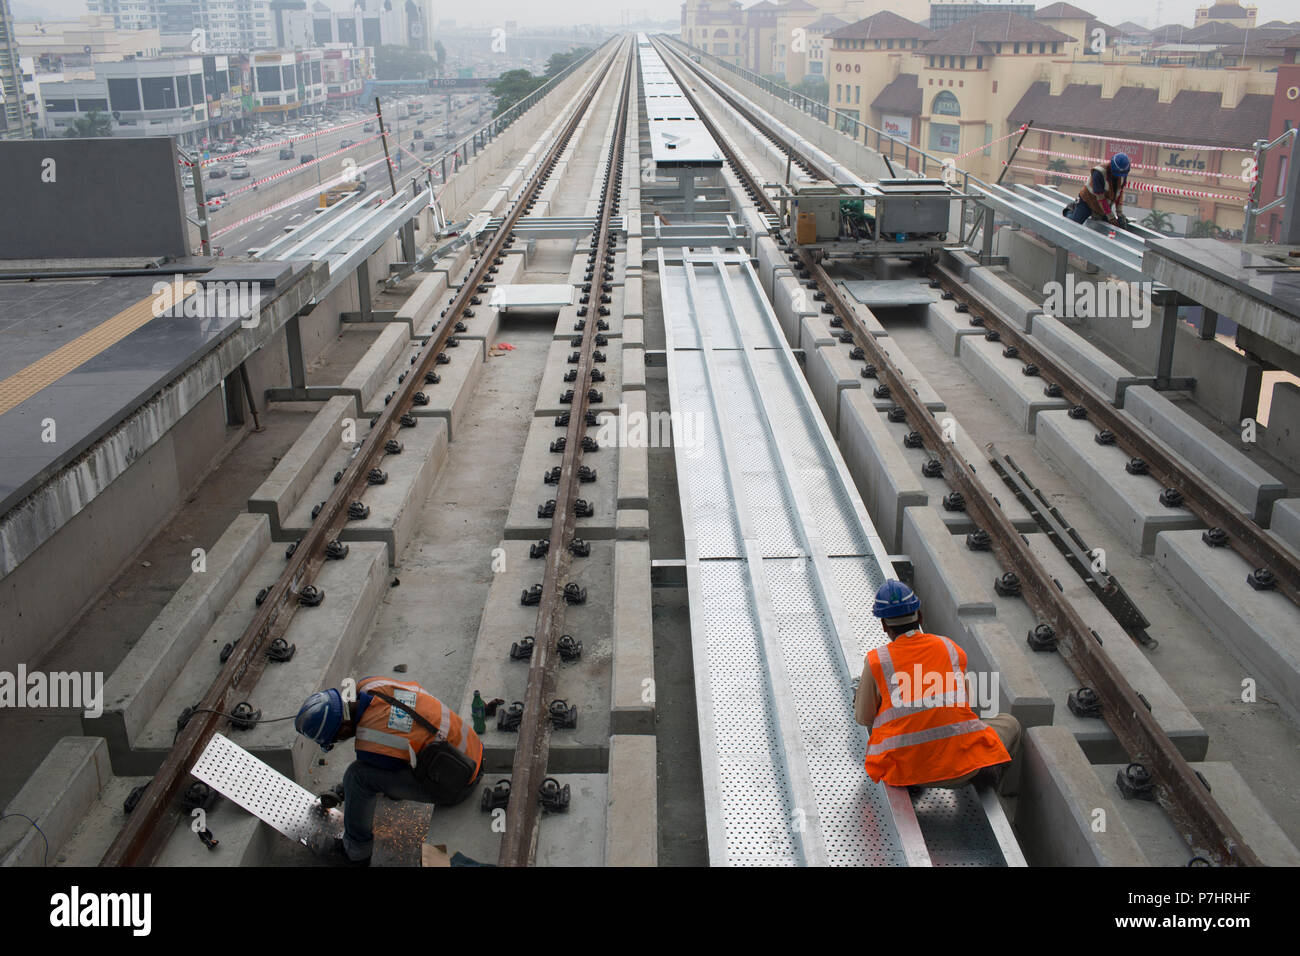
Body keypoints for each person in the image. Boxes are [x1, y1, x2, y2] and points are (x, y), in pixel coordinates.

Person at [295, 675, 484, 865]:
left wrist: (348, 789)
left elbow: (379, 772)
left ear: (343, 729)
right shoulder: (372, 684)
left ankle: (354, 853)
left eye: (335, 738)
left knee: (357, 777)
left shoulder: (370, 742)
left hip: (458, 783)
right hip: (472, 750)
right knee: (395, 755)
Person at [854, 580, 1020, 790]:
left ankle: (916, 781)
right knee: (1010, 723)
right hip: (962, 768)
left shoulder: (877, 661)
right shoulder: (949, 648)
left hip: (901, 772)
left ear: (884, 625)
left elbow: (863, 718)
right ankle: (989, 779)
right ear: (920, 617)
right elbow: (965, 706)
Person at [1063, 152, 1130, 228]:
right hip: (1088, 201)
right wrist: (1111, 217)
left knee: (1105, 227)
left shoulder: (1123, 172)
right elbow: (1100, 198)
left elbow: (1119, 192)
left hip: (1103, 206)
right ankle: (1069, 210)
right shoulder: (1099, 172)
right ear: (1112, 167)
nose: (1118, 176)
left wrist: (1120, 214)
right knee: (1075, 223)